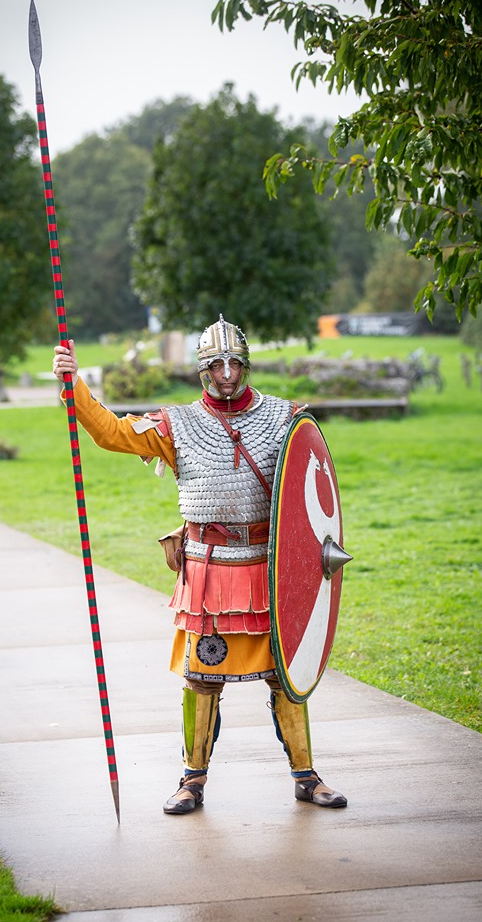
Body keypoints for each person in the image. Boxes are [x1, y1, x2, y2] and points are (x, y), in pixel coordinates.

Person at [52, 316, 347, 814]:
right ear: (203, 369)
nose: (227, 373)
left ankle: (306, 776)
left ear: (245, 364)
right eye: (217, 364)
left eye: (235, 363)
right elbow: (111, 433)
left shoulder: (284, 418)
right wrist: (73, 384)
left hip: (269, 568)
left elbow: (311, 491)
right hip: (210, 570)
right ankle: (192, 780)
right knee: (202, 676)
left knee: (285, 673)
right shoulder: (176, 424)